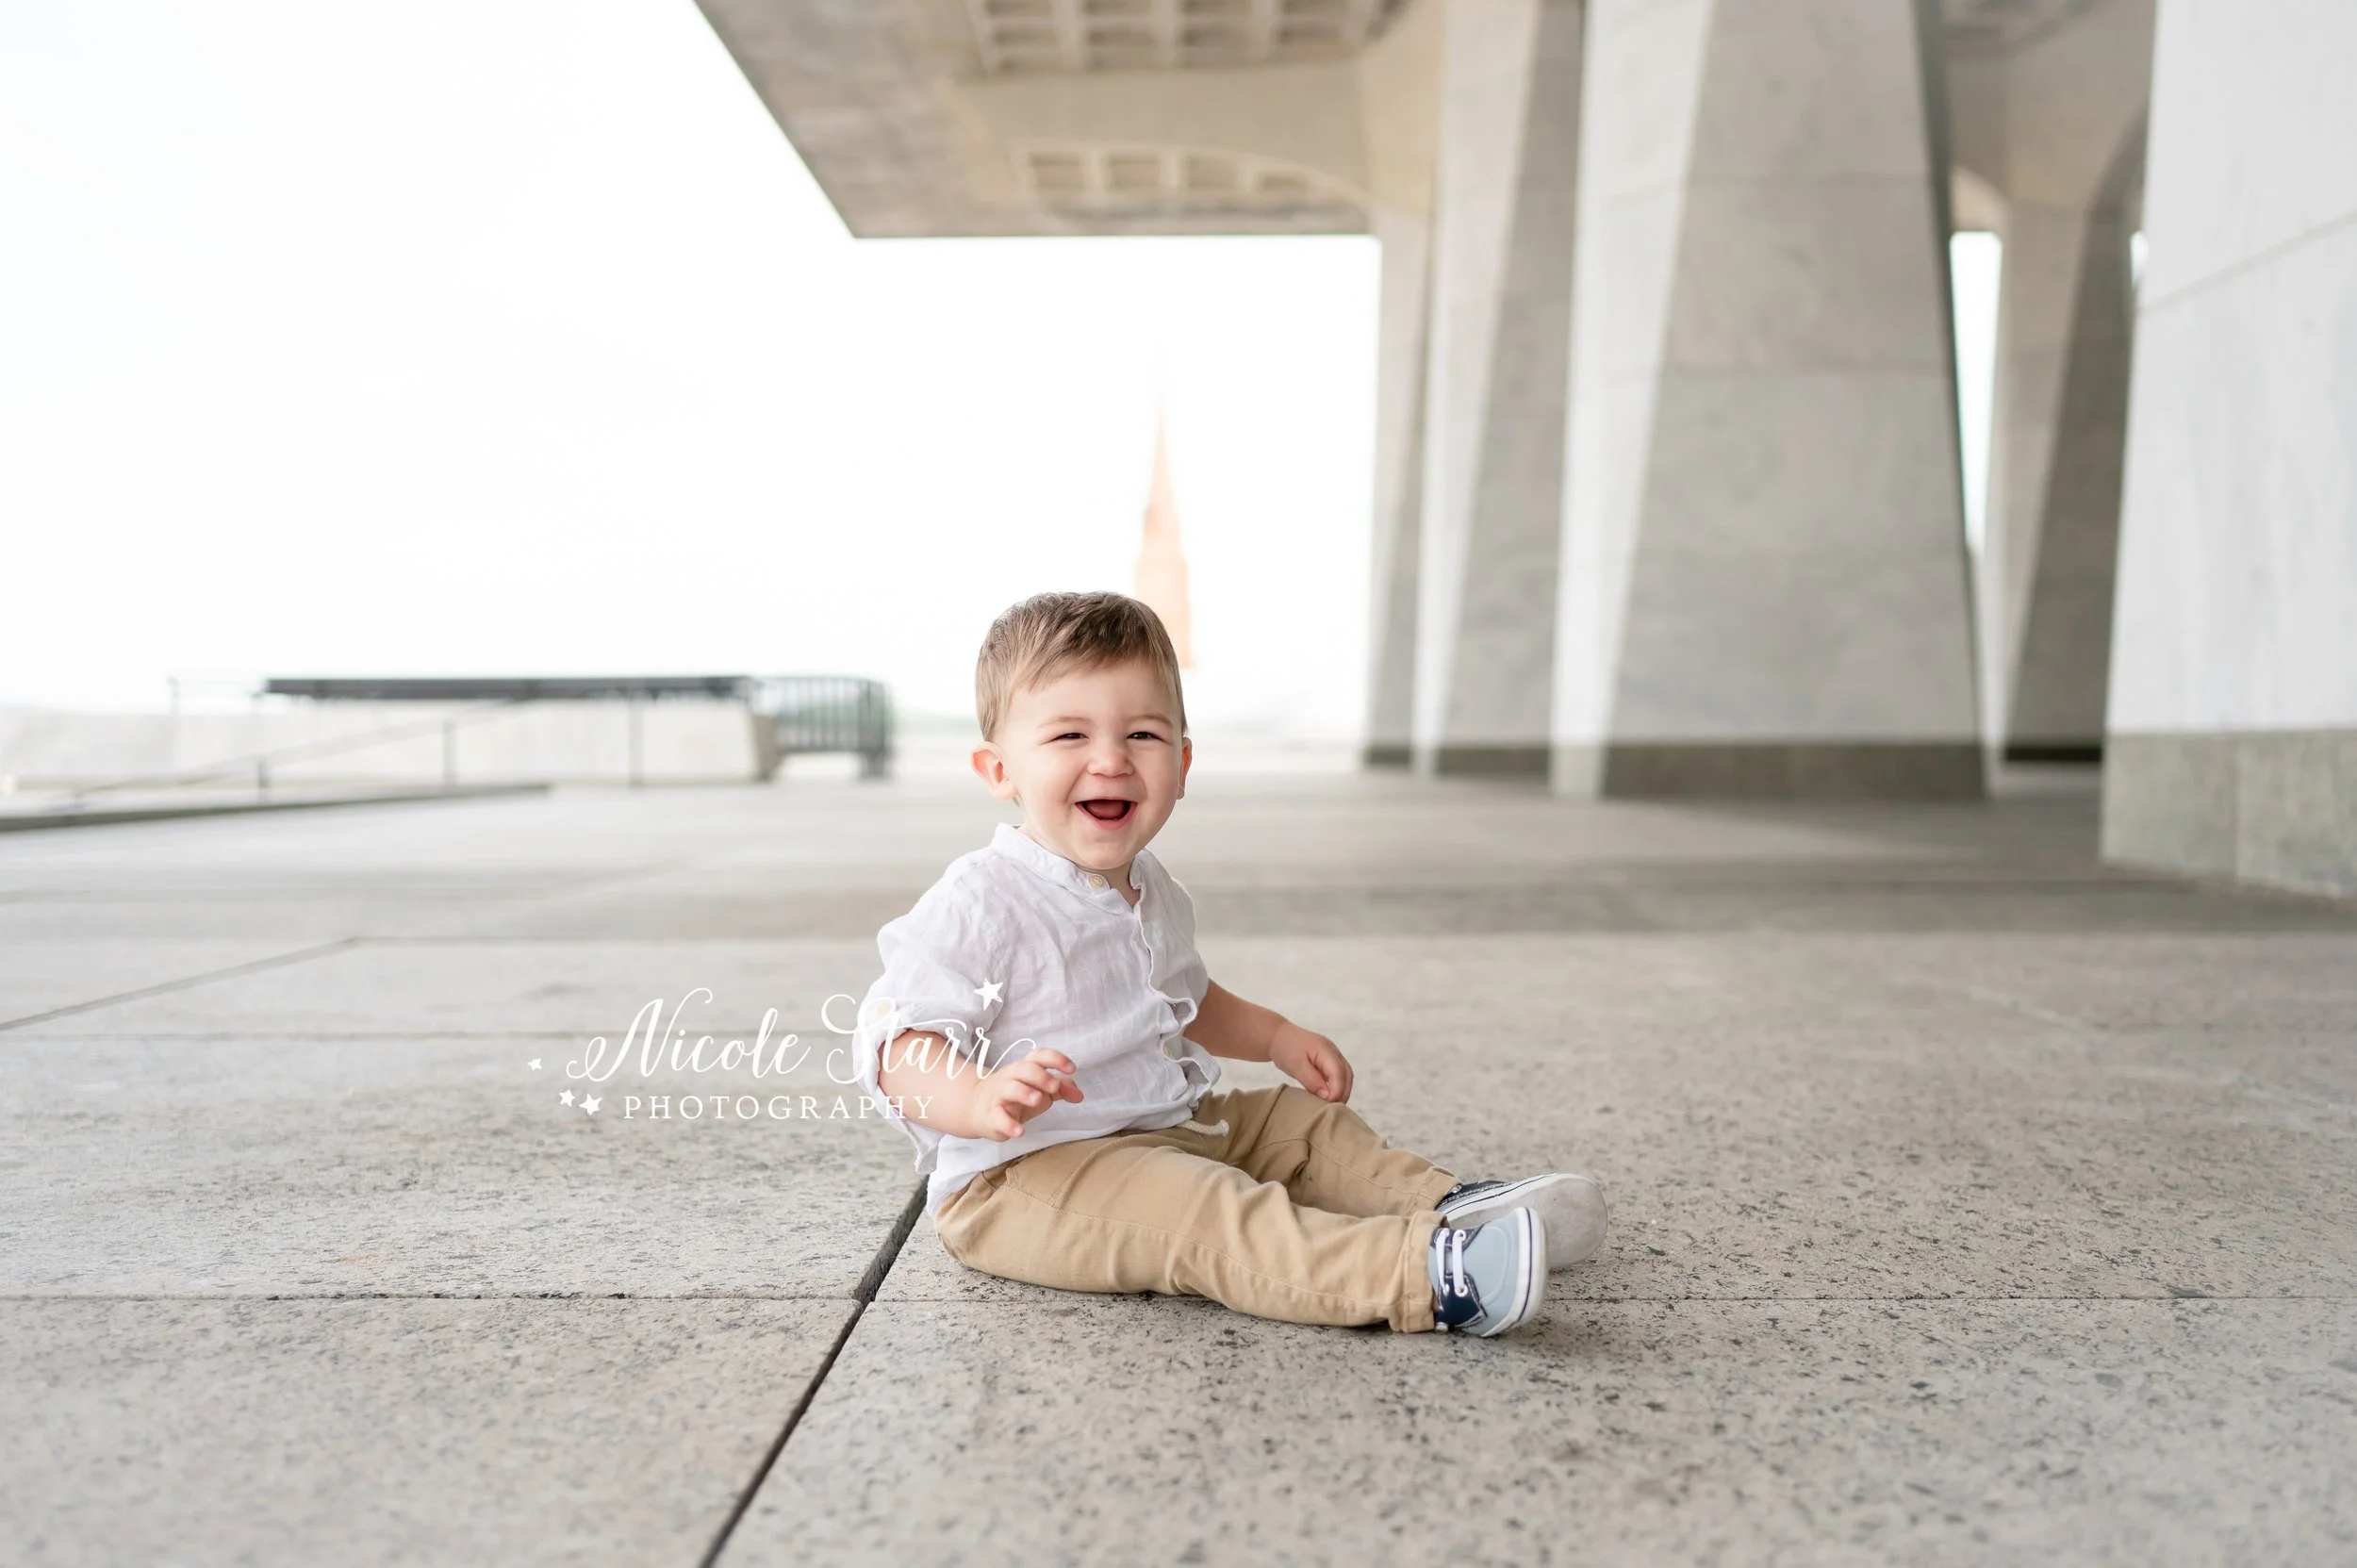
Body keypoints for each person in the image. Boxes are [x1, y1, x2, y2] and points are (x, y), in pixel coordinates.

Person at [850, 590, 1607, 1335]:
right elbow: (897, 1041)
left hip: (1165, 1125)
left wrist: (1275, 1036)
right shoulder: (982, 898)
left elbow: (1189, 998)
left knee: (1297, 1125)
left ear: (1181, 763)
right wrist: (976, 1096)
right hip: (1028, 1177)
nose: (1110, 760)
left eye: (1141, 735)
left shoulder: (1154, 890)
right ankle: (1427, 1275)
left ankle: (1455, 1206)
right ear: (999, 769)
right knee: (1210, 1214)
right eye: (1070, 736)